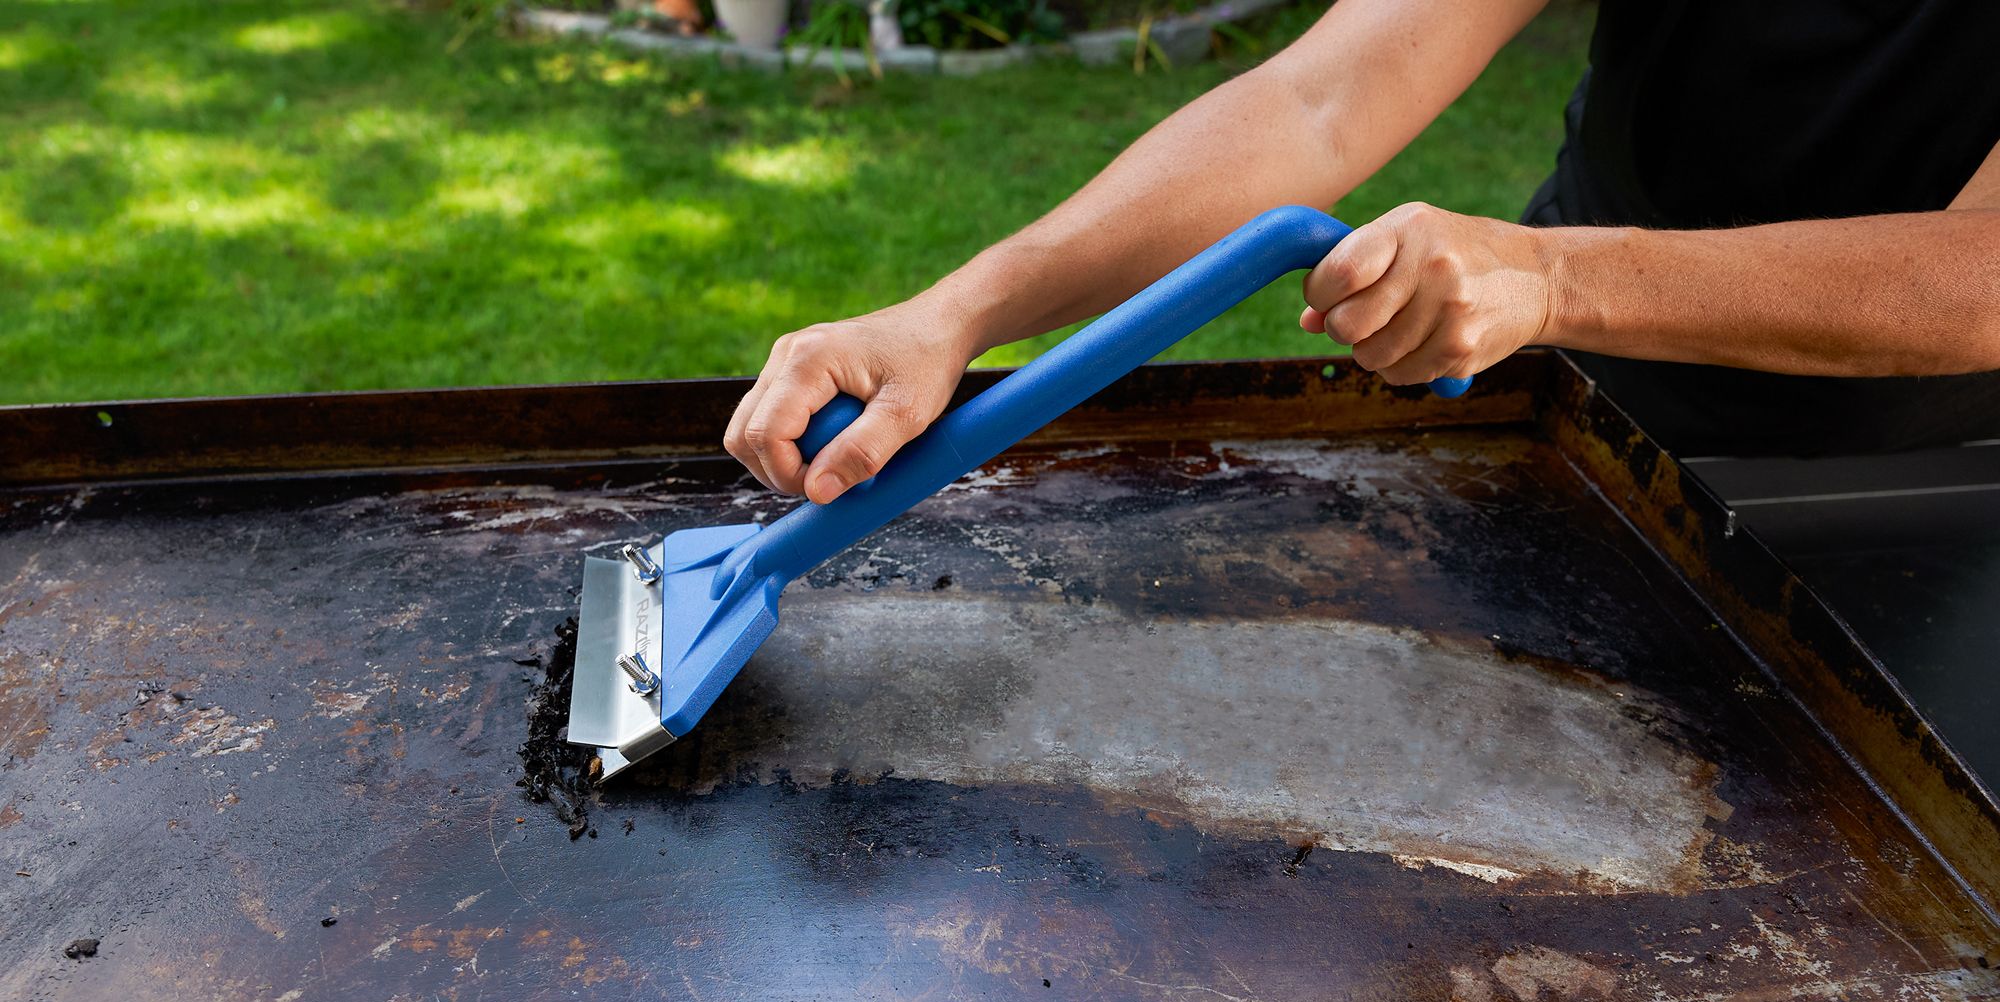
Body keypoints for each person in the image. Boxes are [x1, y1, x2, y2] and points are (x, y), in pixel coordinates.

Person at [725, 0, 2000, 503]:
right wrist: (957, 312)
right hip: (1568, 425)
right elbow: (1319, 100)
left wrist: (1553, 277)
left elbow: (1982, 274)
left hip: (1909, 488)